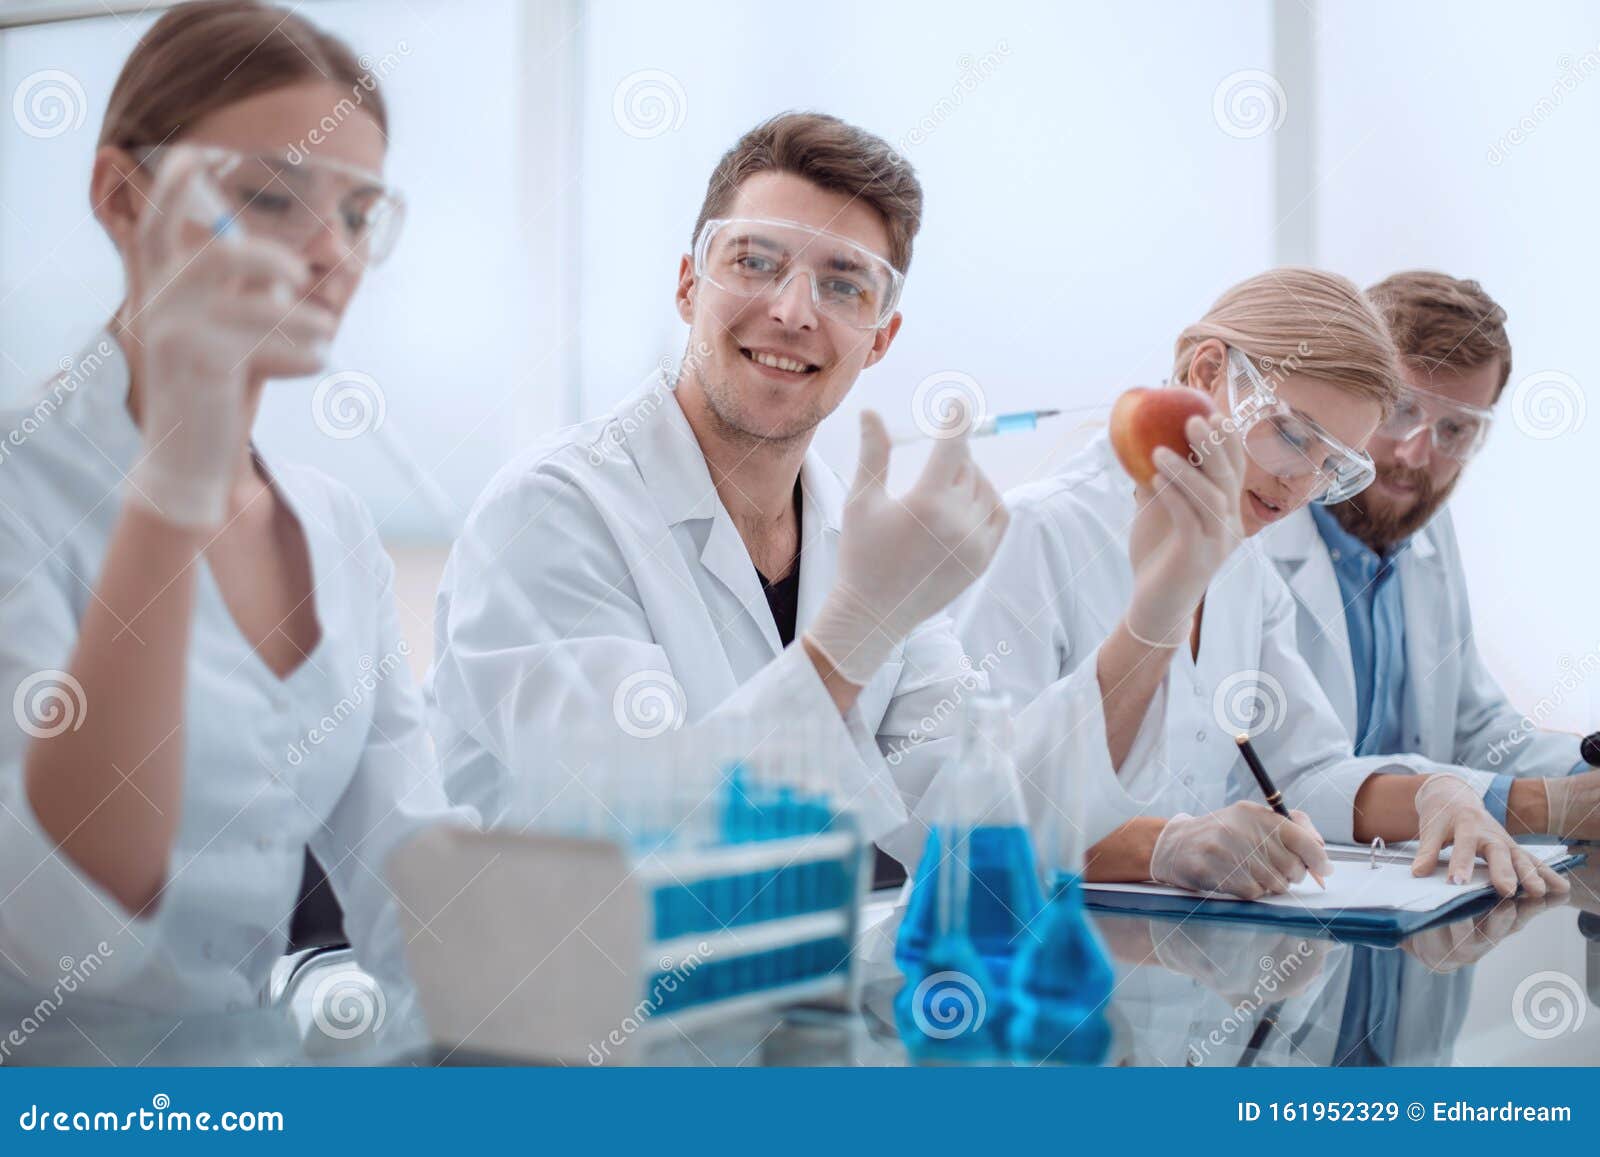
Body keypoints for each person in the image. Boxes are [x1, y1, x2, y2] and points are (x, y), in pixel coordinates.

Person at [0, 0, 467, 1012]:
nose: (330, 251)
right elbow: (57, 914)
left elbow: (409, 870)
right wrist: (175, 473)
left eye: (356, 214)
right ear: (122, 197)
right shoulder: (15, 485)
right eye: (268, 197)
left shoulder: (334, 524)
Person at [428, 112, 1031, 876]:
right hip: (567, 988)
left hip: (788, 981)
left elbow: (973, 811)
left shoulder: (863, 539)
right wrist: (857, 633)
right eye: (755, 262)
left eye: (843, 284)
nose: (792, 310)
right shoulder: (550, 512)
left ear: (881, 337)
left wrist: (1153, 618)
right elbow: (635, 826)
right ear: (689, 284)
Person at [956, 268, 1571, 900]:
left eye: (1333, 464)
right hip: (1027, 968)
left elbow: (1303, 770)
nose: (1300, 484)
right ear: (1206, 373)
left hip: (1188, 970)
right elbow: (970, 817)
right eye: (1293, 434)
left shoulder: (1244, 566)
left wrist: (1439, 795)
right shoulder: (1043, 530)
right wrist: (1160, 847)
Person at [1260, 271, 1598, 842]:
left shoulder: (1428, 533)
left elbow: (1475, 731)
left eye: (1456, 430)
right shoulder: (1256, 534)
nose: (1417, 456)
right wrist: (1546, 805)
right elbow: (1282, 780)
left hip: (1403, 902)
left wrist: (1581, 773)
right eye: (1399, 411)